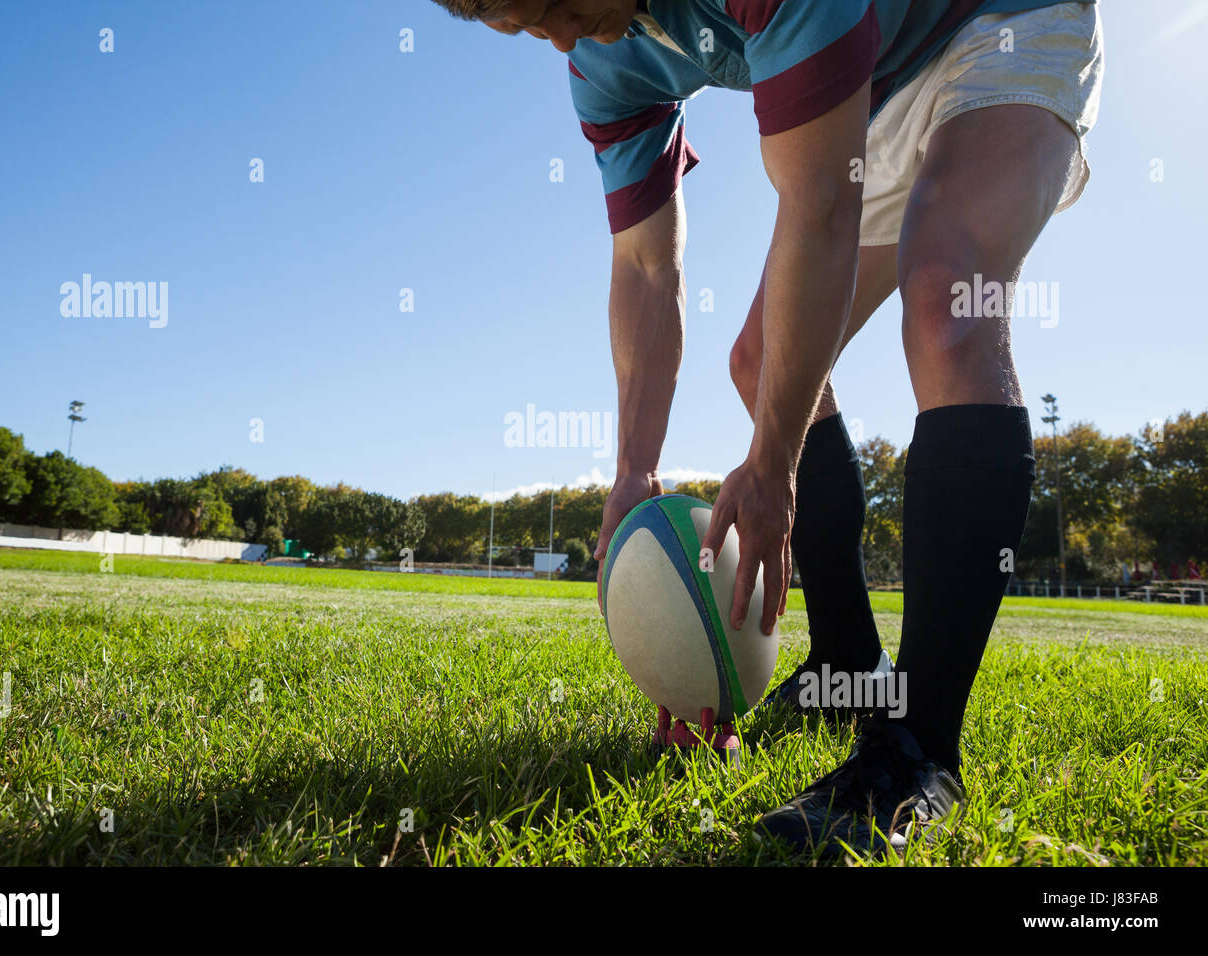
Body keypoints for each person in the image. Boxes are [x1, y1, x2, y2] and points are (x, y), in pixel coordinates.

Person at [433, 0, 1103, 854]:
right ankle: (848, 669)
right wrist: (634, 470)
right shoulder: (600, 64)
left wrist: (774, 461)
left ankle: (915, 749)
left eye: (552, 6)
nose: (559, 35)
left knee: (947, 295)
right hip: (885, 83)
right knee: (760, 364)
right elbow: (645, 265)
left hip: (1001, 17)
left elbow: (818, 200)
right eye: (525, 27)